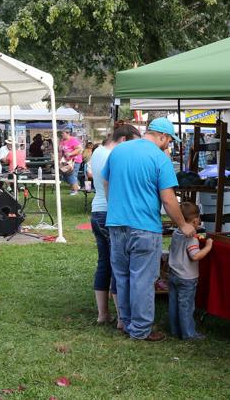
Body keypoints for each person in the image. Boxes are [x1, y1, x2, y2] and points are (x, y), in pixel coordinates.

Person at [103, 117, 196, 342]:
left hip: (116, 223)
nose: (168, 145)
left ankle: (125, 321)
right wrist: (183, 224)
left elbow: (106, 181)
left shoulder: (118, 151)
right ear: (162, 136)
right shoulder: (159, 158)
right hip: (144, 227)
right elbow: (168, 199)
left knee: (122, 275)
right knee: (143, 279)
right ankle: (141, 329)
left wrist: (115, 206)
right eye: (168, 141)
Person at [89, 123, 138, 326]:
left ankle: (103, 314)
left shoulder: (98, 152)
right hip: (110, 213)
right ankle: (121, 317)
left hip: (96, 211)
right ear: (123, 141)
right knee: (119, 265)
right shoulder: (113, 156)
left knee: (105, 263)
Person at [168, 201, 213, 340]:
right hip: (187, 278)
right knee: (186, 306)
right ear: (195, 221)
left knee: (174, 304)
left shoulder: (176, 233)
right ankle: (189, 333)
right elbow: (195, 256)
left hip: (173, 274)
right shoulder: (192, 240)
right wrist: (208, 246)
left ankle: (175, 330)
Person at [60, 128, 83, 195]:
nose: (62, 134)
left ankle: (75, 190)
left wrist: (70, 153)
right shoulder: (62, 141)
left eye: (63, 133)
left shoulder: (73, 140)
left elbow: (79, 149)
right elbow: (61, 150)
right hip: (65, 161)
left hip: (74, 160)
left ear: (68, 133)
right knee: (65, 175)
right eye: (62, 133)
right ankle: (76, 186)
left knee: (71, 175)